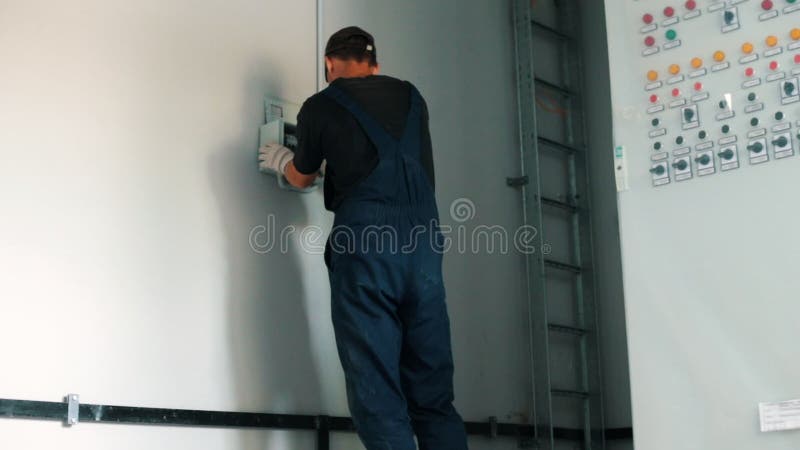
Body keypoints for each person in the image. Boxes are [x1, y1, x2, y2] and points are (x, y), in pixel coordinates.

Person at [258, 26, 468, 450]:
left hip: (367, 249)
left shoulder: (320, 107)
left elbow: (302, 176)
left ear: (329, 64)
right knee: (433, 395)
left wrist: (282, 160)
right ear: (375, 65)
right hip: (425, 250)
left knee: (377, 390)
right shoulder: (413, 98)